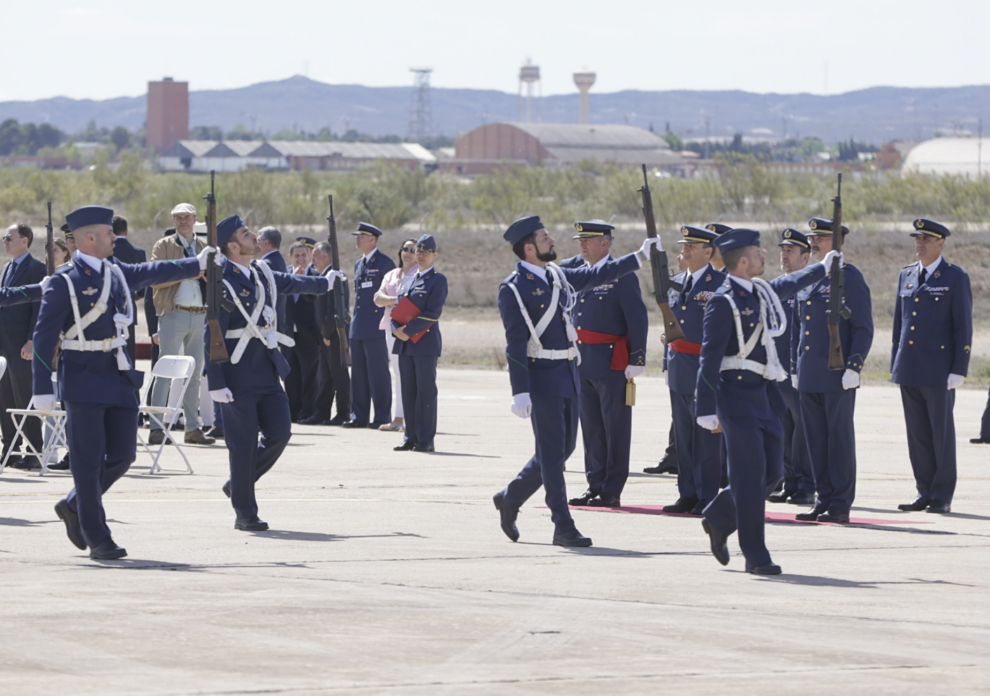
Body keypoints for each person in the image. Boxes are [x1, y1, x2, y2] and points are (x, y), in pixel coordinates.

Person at [34, 205, 212, 560]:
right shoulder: (63, 281)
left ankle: (73, 506)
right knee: (86, 462)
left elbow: (153, 271)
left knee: (124, 454)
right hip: (82, 375)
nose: (114, 237)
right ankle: (98, 537)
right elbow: (43, 336)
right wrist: (42, 387)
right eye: (107, 233)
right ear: (89, 238)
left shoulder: (116, 272)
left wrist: (197, 263)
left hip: (117, 374)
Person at [492, 215, 660, 548]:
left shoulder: (557, 274)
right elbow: (514, 344)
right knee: (554, 455)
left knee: (562, 449)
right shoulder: (513, 288)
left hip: (568, 373)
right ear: (529, 248)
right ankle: (562, 524)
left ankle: (510, 498)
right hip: (541, 378)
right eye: (544, 237)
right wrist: (520, 391)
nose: (552, 240)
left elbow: (598, 273)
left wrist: (639, 257)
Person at [696, 229, 839, 575]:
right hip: (735, 398)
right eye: (758, 254)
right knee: (748, 477)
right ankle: (755, 554)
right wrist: (705, 409)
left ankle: (718, 516)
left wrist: (823, 267)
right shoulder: (722, 301)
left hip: (764, 396)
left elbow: (790, 283)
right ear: (742, 262)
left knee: (772, 474)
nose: (764, 258)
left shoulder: (761, 292)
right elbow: (709, 358)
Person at [208, 215, 343, 530]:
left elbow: (292, 282)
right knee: (242, 445)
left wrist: (325, 282)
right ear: (231, 245)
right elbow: (211, 333)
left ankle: (239, 483)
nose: (254, 235)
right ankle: (245, 512)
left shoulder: (261, 272)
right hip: (237, 372)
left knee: (280, 433)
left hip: (266, 369)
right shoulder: (222, 280)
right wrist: (215, 381)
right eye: (245, 233)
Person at [559, 220, 648, 508]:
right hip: (581, 360)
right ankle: (594, 484)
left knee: (615, 428)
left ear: (606, 244)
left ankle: (612, 488)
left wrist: (637, 358)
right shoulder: (573, 270)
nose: (582, 244)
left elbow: (637, 317)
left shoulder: (622, 274)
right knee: (592, 428)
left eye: (589, 240)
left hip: (612, 362)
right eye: (580, 240)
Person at [791, 218, 874, 524]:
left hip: (837, 374)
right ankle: (822, 497)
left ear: (837, 242)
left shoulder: (849, 277)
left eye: (821, 238)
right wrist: (794, 366)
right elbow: (798, 328)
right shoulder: (808, 276)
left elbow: (864, 328)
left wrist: (854, 365)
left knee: (838, 441)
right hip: (809, 372)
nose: (814, 242)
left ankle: (840, 502)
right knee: (815, 440)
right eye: (812, 238)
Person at [892, 219, 973, 514]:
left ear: (941, 243)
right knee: (917, 436)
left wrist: (959, 368)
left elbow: (963, 326)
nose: (920, 243)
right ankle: (924, 490)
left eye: (926, 239)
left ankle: (941, 495)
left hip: (939, 370)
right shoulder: (907, 275)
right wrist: (895, 363)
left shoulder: (954, 277)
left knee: (941, 435)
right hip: (909, 367)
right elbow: (899, 325)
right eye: (918, 238)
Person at [662, 226, 726, 515]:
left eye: (692, 246)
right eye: (684, 244)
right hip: (679, 369)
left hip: (705, 371)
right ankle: (686, 493)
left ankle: (707, 495)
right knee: (685, 439)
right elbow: (671, 326)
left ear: (708, 252)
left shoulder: (721, 283)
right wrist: (666, 362)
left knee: (707, 440)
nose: (685, 249)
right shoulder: (676, 282)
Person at [147, 203, 214, 446]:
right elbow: (155, 277)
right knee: (165, 372)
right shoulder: (163, 246)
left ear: (194, 219)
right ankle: (156, 426)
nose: (182, 221)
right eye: (178, 217)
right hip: (173, 312)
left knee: (194, 374)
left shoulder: (205, 247)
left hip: (199, 314)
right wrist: (187, 273)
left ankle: (192, 428)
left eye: (186, 217)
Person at [766, 229, 815, 506]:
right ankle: (788, 481)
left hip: (798, 372)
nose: (784, 255)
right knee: (782, 430)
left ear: (805, 258)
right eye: (782, 250)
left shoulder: (807, 287)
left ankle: (806, 485)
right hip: (777, 371)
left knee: (802, 433)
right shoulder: (774, 287)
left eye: (791, 251)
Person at [391, 234, 447, 453]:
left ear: (434, 254)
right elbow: (398, 308)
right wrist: (397, 329)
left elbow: (433, 313)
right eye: (418, 252)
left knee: (425, 392)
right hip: (405, 344)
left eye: (426, 252)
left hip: (424, 343)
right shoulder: (408, 279)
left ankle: (426, 439)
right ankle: (410, 436)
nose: (421, 255)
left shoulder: (438, 280)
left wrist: (407, 330)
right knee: (408, 391)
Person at [1, 223, 47, 470]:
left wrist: (31, 340)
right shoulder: (6, 268)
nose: (5, 241)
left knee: (25, 399)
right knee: (5, 399)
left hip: (22, 345)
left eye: (10, 237)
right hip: (3, 345)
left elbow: (38, 308)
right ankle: (9, 448)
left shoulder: (36, 268)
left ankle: (33, 450)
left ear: (25, 241)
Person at [344, 222, 395, 429]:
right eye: (357, 236)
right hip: (359, 325)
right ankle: (359, 415)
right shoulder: (359, 263)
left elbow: (391, 294)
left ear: (372, 239)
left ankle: (382, 416)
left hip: (376, 326)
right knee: (358, 374)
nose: (357, 239)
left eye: (361, 236)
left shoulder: (384, 263)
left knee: (378, 374)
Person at [374, 238, 419, 432]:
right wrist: (396, 300)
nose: (408, 252)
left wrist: (392, 301)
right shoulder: (391, 274)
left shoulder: (419, 274)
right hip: (391, 328)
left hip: (411, 329)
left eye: (412, 250)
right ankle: (399, 418)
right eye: (405, 249)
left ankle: (412, 419)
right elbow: (378, 298)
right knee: (398, 373)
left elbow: (416, 299)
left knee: (411, 374)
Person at [309, 241, 351, 425]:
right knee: (325, 376)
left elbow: (335, 308)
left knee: (339, 375)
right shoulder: (325, 276)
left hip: (334, 334)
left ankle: (343, 413)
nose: (313, 261)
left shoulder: (336, 276)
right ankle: (321, 412)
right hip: (325, 335)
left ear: (325, 256)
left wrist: (327, 332)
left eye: (315, 257)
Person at [284, 242, 321, 423]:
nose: (300, 259)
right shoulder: (283, 277)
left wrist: (303, 282)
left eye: (303, 255)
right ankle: (292, 411)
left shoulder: (315, 276)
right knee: (290, 375)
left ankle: (308, 411)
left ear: (309, 256)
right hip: (288, 334)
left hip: (309, 334)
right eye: (297, 256)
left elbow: (315, 301)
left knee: (310, 375)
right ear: (290, 257)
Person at [111, 215, 147, 370]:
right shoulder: (138, 252)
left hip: (106, 310)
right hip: (129, 311)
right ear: (126, 231)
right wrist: (132, 296)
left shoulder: (104, 252)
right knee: (129, 358)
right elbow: (143, 288)